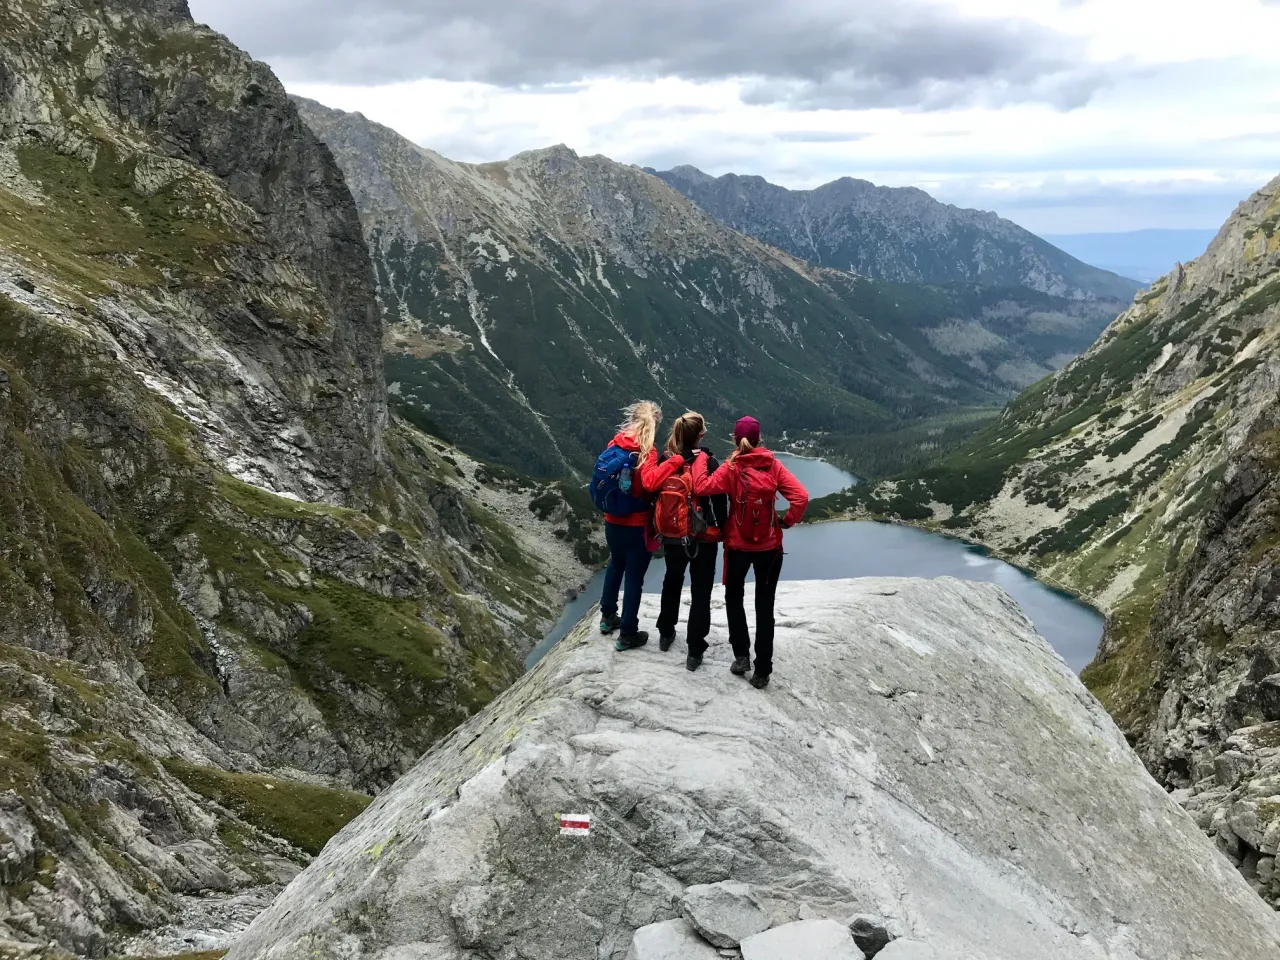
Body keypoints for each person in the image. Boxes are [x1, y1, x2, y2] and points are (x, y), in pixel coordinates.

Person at [692, 416, 808, 689]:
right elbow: (801, 497)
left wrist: (699, 460)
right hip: (769, 548)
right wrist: (787, 520)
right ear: (759, 439)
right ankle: (762, 671)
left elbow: (702, 487)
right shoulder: (773, 465)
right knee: (764, 607)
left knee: (734, 598)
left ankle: (741, 656)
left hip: (738, 545)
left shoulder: (732, 467)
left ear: (735, 439)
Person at [591, 401, 683, 651]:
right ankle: (628, 633)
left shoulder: (616, 443)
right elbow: (651, 482)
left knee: (615, 563)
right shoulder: (646, 451)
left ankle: (607, 617)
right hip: (636, 526)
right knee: (633, 578)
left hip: (612, 521)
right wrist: (673, 463)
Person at [652, 412, 729, 672]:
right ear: (701, 435)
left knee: (672, 581)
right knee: (701, 592)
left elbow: (654, 497)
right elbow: (718, 501)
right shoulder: (709, 462)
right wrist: (722, 528)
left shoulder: (667, 460)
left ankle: (665, 632)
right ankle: (694, 650)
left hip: (673, 535)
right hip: (703, 538)